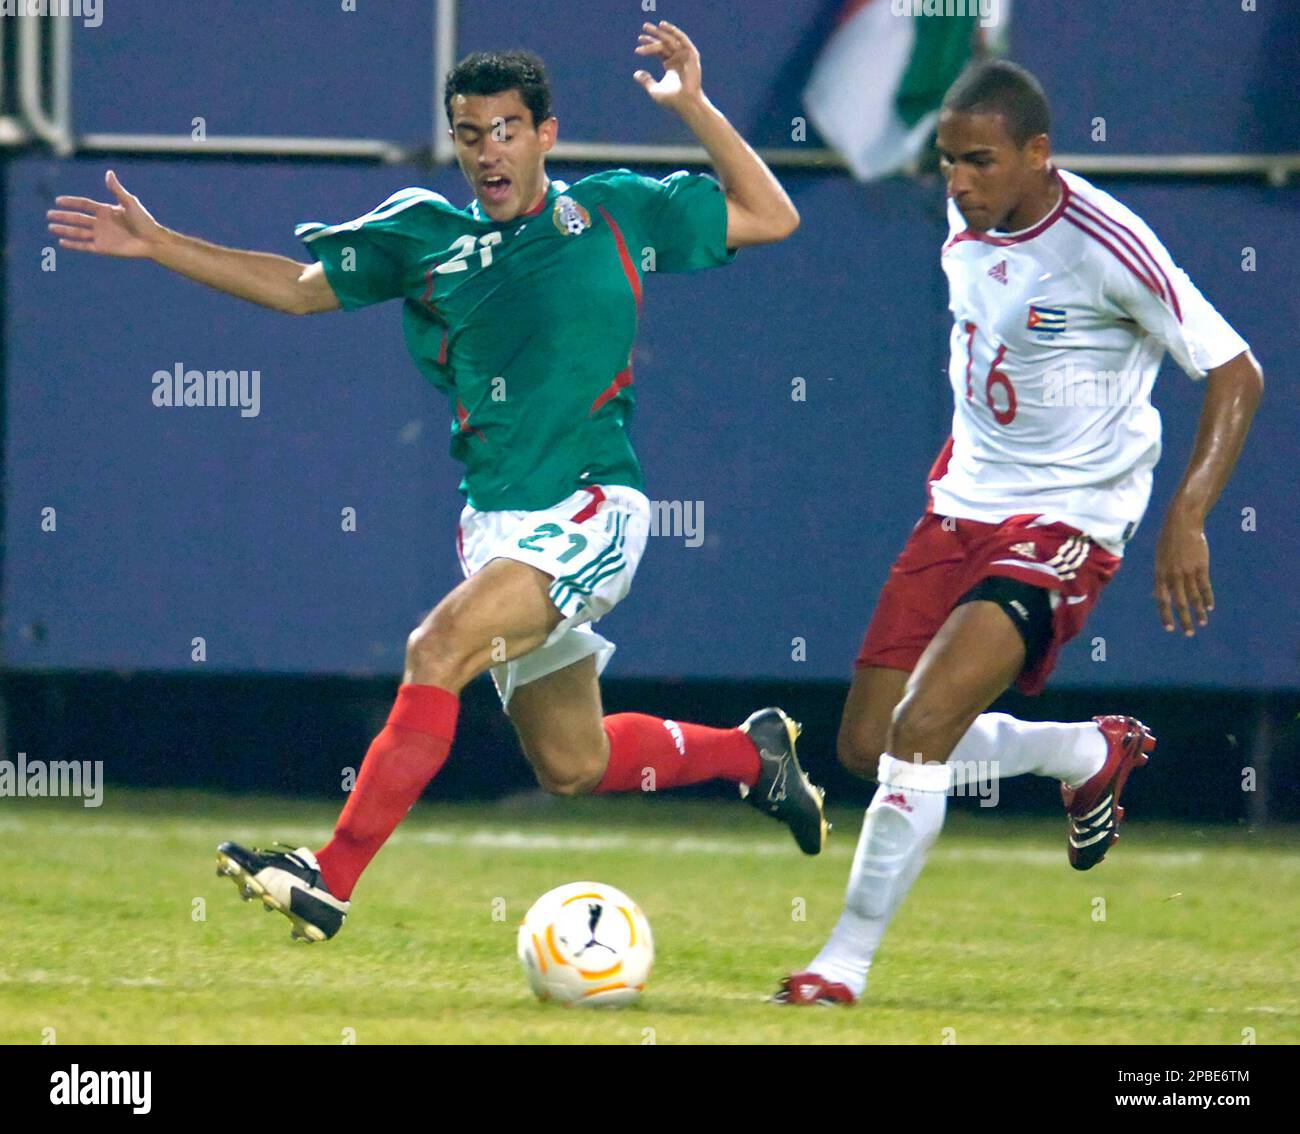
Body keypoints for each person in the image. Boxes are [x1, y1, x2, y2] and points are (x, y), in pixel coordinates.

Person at [49, 22, 826, 944]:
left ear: (545, 134)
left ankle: (327, 878)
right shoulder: (422, 231)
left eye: (505, 130)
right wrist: (161, 244)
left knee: (437, 647)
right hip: (495, 526)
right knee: (573, 762)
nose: (487, 152)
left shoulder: (617, 212)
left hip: (592, 508)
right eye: (469, 133)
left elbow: (774, 216)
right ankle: (753, 754)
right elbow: (298, 288)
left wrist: (693, 106)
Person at [776, 60, 1262, 1006]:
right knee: (869, 745)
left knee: (921, 729)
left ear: (1040, 155)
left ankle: (840, 967)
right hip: (960, 504)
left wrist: (1189, 514)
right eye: (949, 160)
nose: (957, 182)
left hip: (1070, 516)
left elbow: (1234, 369)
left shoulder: (1108, 242)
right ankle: (1084, 753)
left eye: (980, 161)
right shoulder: (972, 213)